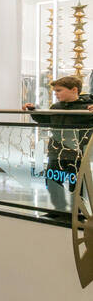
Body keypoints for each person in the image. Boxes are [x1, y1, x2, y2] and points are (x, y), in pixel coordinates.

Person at [24, 75, 93, 216]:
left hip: (78, 154)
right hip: (56, 152)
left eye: (59, 90)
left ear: (74, 90)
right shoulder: (56, 107)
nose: (56, 94)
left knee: (77, 185)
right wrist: (33, 111)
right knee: (52, 181)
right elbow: (46, 119)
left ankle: (76, 213)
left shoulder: (87, 108)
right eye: (55, 91)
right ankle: (59, 210)